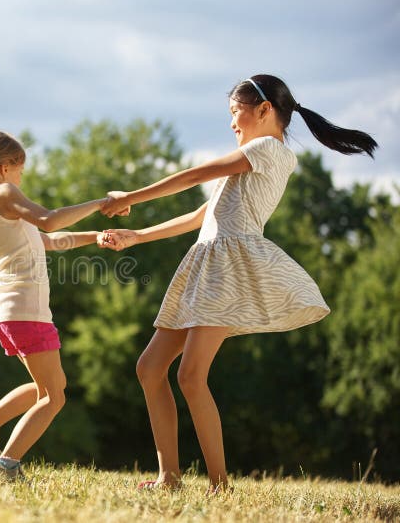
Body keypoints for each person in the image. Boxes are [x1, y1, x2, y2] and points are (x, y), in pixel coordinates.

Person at [99, 74, 378, 493]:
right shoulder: (254, 153)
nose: (232, 123)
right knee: (150, 368)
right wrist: (137, 235)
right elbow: (202, 215)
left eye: (236, 112)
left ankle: (219, 484)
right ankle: (169, 477)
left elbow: (195, 175)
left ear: (265, 110)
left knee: (191, 376)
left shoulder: (267, 149)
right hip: (207, 261)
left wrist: (129, 198)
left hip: (228, 267)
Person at [0, 130, 125, 480]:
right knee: (55, 397)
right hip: (26, 311)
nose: (21, 178)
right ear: (4, 167)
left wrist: (93, 236)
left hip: (6, 313)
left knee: (46, 386)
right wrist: (100, 202)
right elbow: (48, 220)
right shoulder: (4, 193)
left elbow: (45, 240)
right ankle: (6, 465)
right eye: (20, 170)